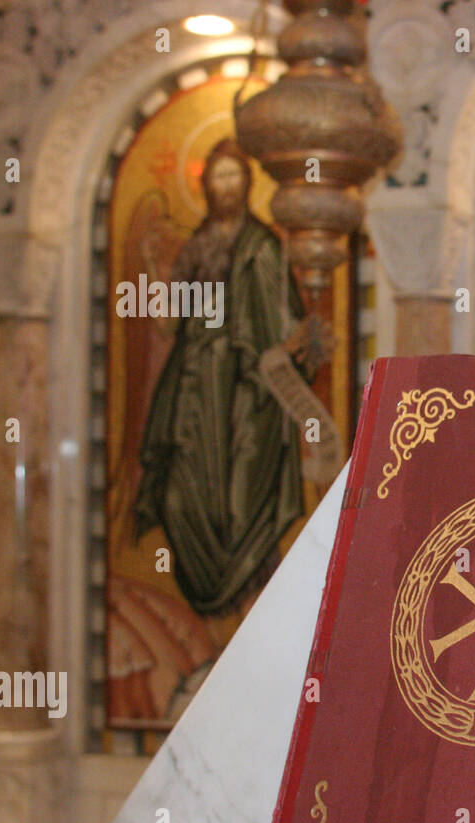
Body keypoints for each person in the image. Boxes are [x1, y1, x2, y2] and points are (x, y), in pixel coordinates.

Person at [134, 138, 326, 617]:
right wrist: (147, 267)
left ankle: (256, 606)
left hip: (247, 396)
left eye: (234, 177)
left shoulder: (262, 248)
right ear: (205, 187)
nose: (226, 187)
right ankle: (212, 603)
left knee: (243, 501)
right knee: (179, 496)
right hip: (196, 386)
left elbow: (287, 328)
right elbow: (169, 320)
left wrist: (296, 345)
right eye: (218, 177)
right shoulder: (196, 247)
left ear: (246, 185)